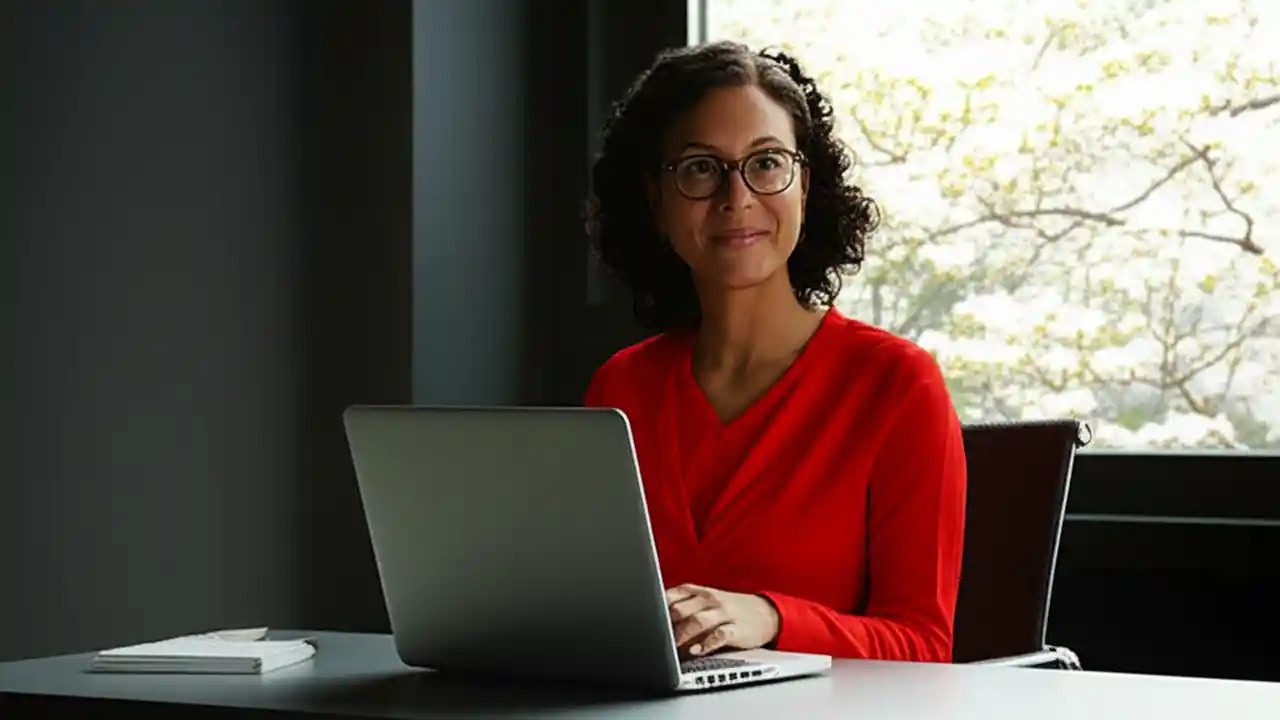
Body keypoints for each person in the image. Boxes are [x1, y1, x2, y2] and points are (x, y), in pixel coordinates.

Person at [582, 40, 967, 663]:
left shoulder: (898, 384)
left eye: (766, 163)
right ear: (656, 198)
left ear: (804, 187)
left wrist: (770, 617)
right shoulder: (619, 389)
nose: (737, 198)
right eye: (701, 167)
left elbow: (923, 646)